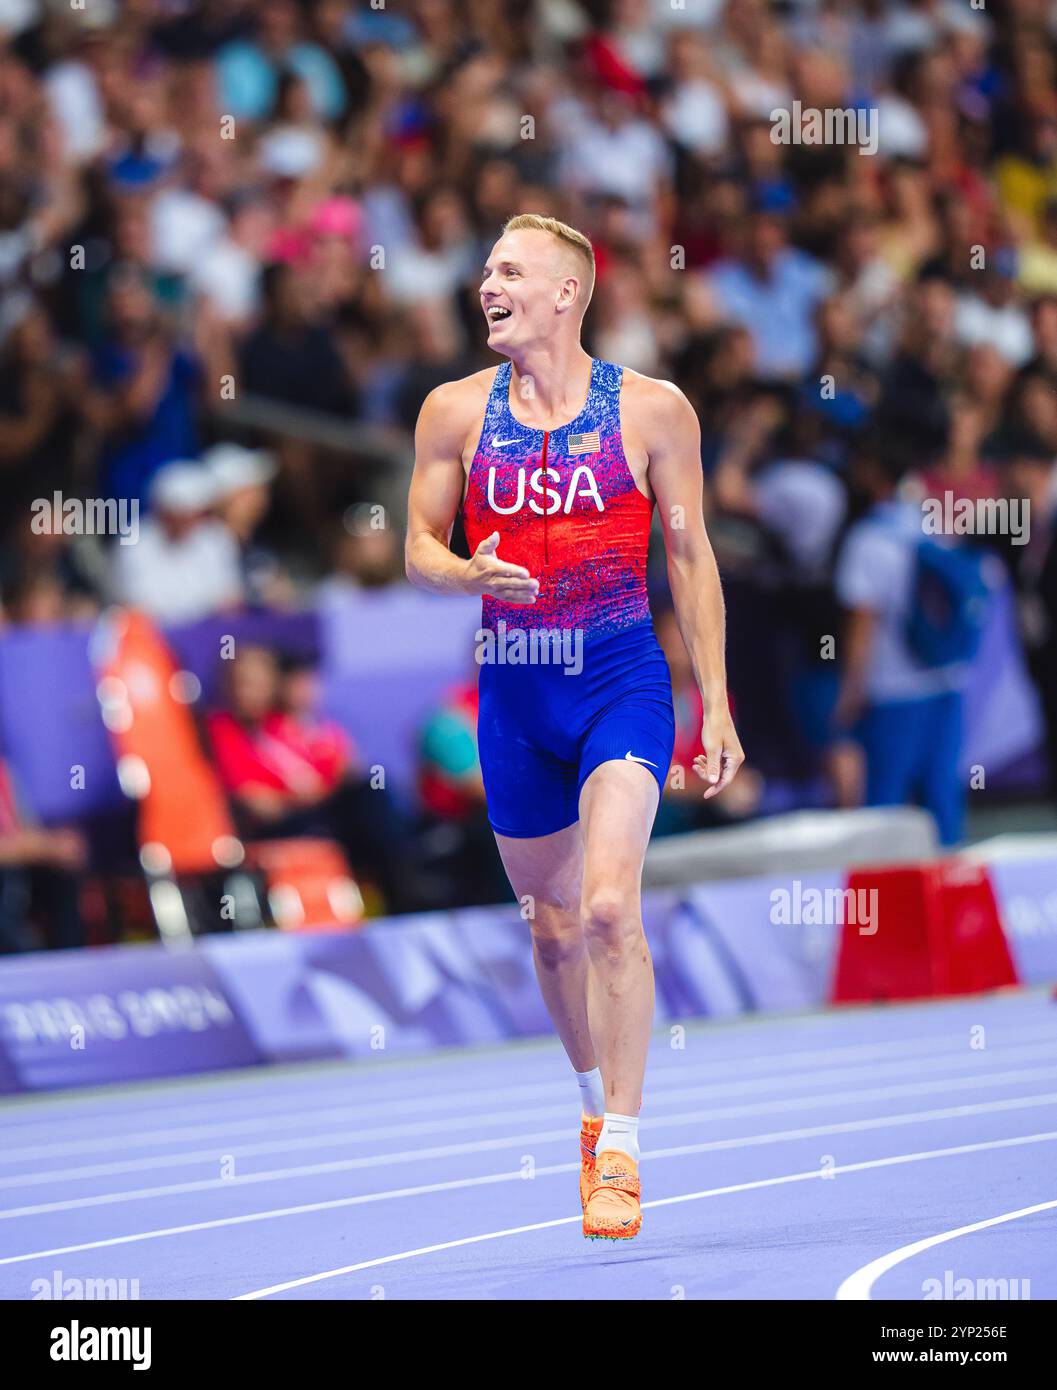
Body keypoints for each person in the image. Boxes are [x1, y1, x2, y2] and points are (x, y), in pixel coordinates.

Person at [405, 213, 744, 1240]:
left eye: (509, 270)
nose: (486, 284)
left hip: (619, 683)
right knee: (550, 929)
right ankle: (593, 1109)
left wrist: (717, 701)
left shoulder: (651, 410)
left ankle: (628, 1154)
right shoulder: (454, 412)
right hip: (512, 690)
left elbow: (690, 559)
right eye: (484, 267)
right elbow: (417, 543)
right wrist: (467, 568)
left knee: (604, 908)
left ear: (567, 292)